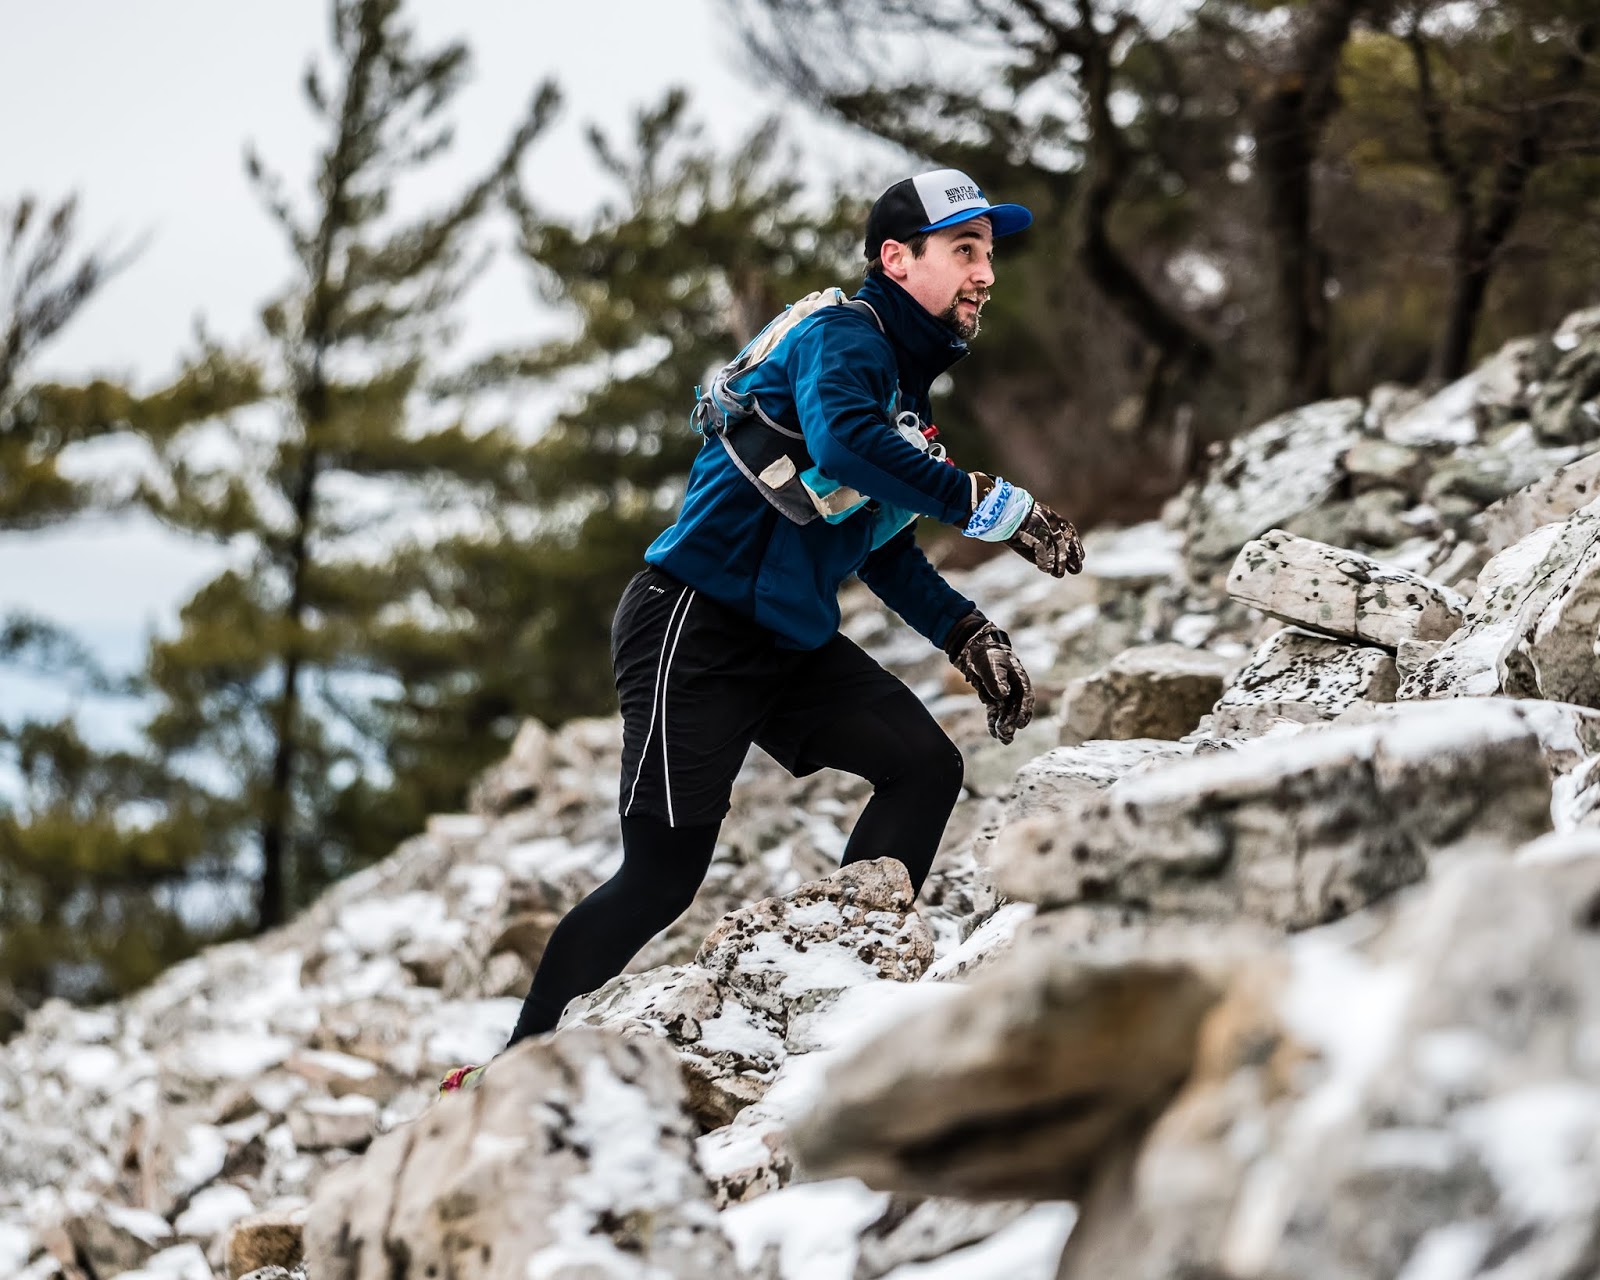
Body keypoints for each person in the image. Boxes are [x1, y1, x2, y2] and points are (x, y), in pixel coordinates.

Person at [438, 168, 1083, 1096]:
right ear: (896, 260)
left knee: (925, 766)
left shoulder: (906, 401)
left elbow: (884, 549)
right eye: (965, 251)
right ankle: (508, 1075)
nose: (986, 274)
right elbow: (842, 447)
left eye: (990, 254)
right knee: (662, 878)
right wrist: (988, 504)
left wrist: (968, 632)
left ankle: (844, 980)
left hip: (786, 639)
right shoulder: (842, 340)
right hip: (690, 625)